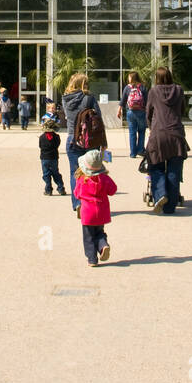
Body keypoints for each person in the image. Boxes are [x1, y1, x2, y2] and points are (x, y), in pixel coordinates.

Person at [146, 65, 189, 214]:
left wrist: (150, 126)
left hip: (159, 134)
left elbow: (149, 112)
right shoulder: (179, 90)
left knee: (155, 167)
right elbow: (182, 110)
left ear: (157, 79)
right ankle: (170, 207)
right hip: (176, 134)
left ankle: (160, 194)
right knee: (174, 171)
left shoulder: (153, 91)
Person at [61, 72, 104, 211]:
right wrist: (103, 141)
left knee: (75, 172)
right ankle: (91, 202)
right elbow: (98, 118)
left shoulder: (65, 99)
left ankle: (77, 202)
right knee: (92, 172)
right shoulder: (89, 98)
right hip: (89, 139)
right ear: (82, 84)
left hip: (72, 139)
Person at [73, 149, 117, 266]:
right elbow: (113, 190)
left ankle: (92, 259)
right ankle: (103, 245)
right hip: (102, 212)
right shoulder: (104, 178)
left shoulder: (82, 180)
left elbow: (77, 194)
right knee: (99, 232)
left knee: (89, 237)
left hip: (88, 213)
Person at [118, 71, 148, 158]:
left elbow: (123, 100)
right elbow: (147, 101)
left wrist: (119, 110)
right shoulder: (142, 87)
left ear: (131, 78)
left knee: (132, 132)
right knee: (142, 131)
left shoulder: (127, 88)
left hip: (130, 112)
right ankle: (140, 150)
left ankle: (133, 153)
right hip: (141, 112)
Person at [38, 118, 64, 196]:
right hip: (54, 157)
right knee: (56, 173)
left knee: (46, 174)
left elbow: (40, 146)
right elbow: (57, 145)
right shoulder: (57, 137)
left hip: (44, 158)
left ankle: (48, 189)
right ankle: (61, 188)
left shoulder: (42, 137)